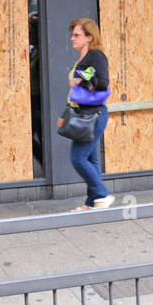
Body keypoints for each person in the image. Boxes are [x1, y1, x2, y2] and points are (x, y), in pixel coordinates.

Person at [61, 17, 114, 211]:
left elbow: (103, 82)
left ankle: (102, 194)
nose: (72, 39)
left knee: (78, 158)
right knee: (91, 159)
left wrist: (80, 80)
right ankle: (92, 203)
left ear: (89, 37)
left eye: (76, 35)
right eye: (72, 35)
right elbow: (74, 93)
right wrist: (64, 113)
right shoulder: (82, 59)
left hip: (94, 115)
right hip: (81, 113)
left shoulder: (96, 56)